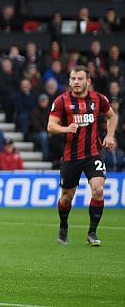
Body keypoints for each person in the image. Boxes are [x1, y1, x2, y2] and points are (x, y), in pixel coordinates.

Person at [47, 65, 118, 246]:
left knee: (98, 190)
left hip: (94, 154)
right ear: (69, 80)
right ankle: (64, 227)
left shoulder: (98, 99)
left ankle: (92, 233)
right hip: (71, 156)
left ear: (88, 81)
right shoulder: (62, 101)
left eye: (80, 79)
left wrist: (110, 135)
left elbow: (112, 116)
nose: (76, 82)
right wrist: (66, 128)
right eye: (73, 79)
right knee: (66, 197)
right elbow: (51, 126)